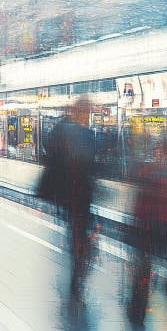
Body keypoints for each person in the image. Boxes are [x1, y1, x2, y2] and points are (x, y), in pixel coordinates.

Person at [45, 99, 96, 311]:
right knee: (81, 234)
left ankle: (77, 272)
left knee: (77, 233)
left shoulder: (62, 131)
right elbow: (92, 163)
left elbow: (49, 148)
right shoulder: (85, 135)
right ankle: (77, 279)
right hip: (79, 193)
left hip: (69, 192)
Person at [128, 139, 167, 323]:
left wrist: (134, 219)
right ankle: (143, 301)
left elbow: (140, 198)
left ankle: (138, 306)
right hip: (161, 223)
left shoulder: (148, 171)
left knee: (144, 261)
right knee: (149, 261)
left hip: (146, 222)